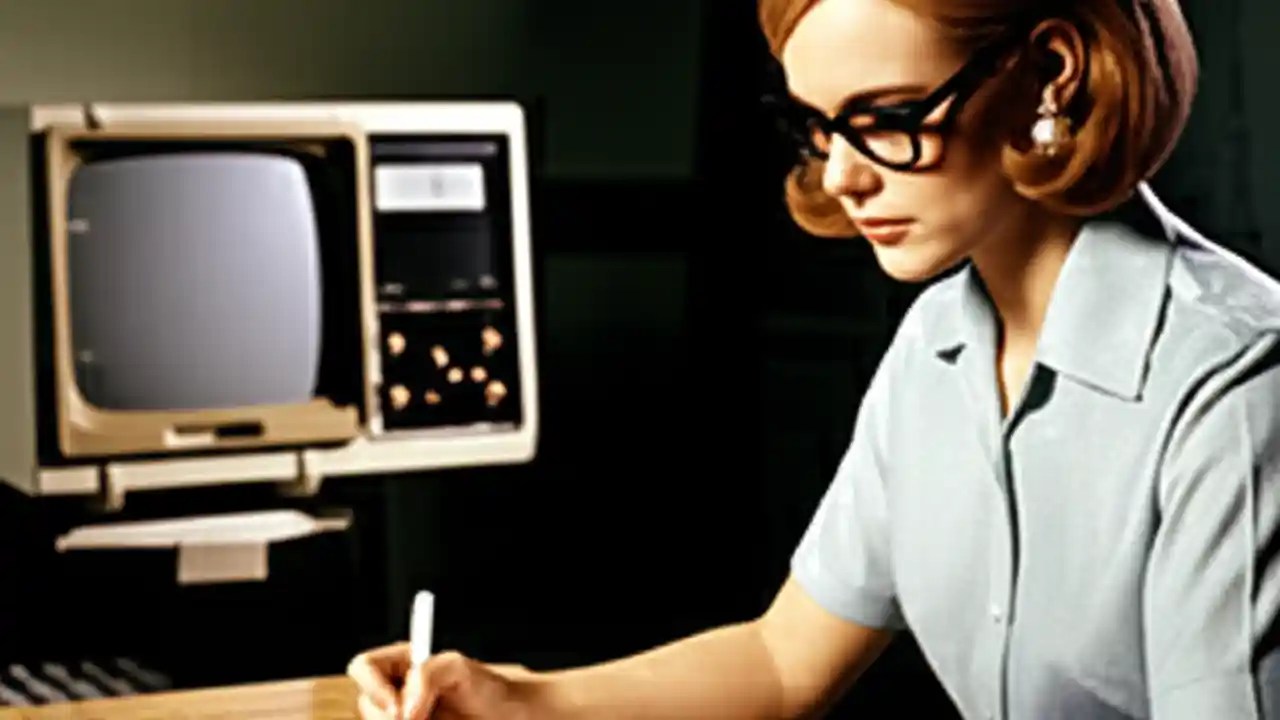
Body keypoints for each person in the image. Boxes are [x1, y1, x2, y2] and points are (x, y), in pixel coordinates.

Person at [348, 0, 1280, 717]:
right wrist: (517, 698)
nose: (841, 174)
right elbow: (782, 663)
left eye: (886, 116)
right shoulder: (935, 348)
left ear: (1051, 72)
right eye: (822, 125)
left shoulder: (1236, 382)